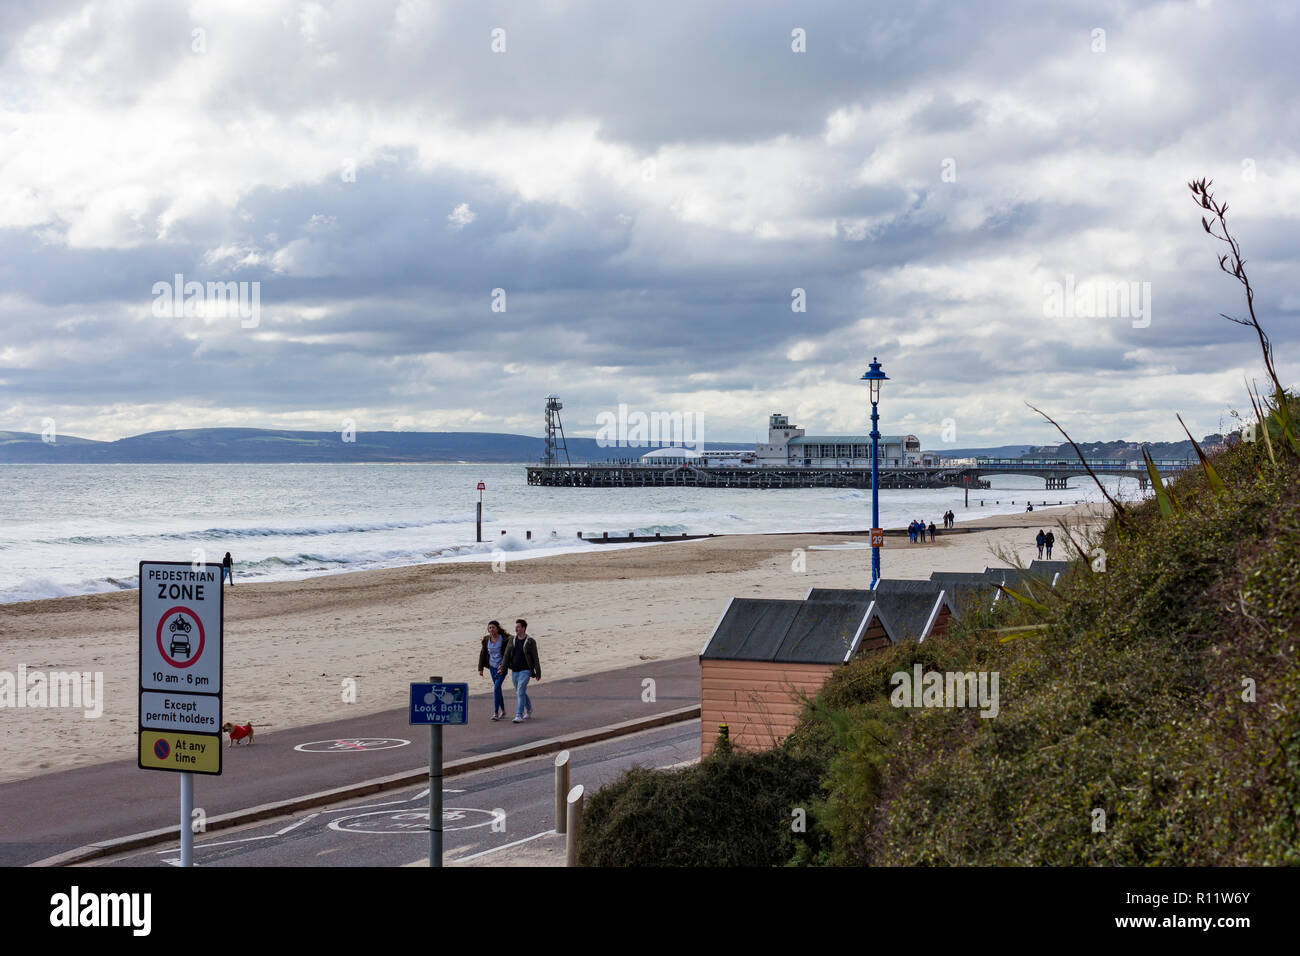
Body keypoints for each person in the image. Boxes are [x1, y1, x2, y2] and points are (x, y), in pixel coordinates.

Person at [499, 618, 541, 723]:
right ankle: (529, 708)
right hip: (515, 671)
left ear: (523, 628)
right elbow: (506, 655)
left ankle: (519, 715)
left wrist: (538, 672)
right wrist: (502, 668)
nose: (516, 628)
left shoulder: (530, 641)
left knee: (521, 690)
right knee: (519, 692)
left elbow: (535, 657)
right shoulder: (512, 640)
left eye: (518, 627)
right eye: (516, 627)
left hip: (526, 670)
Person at [477, 620, 508, 720]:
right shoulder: (486, 639)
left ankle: (495, 713)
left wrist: (503, 664)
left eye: (493, 627)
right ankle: (503, 711)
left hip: (502, 668)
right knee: (498, 689)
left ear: (497, 628)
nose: (491, 629)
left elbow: (508, 652)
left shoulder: (504, 639)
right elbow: (482, 654)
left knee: (496, 688)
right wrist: (480, 668)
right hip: (492, 667)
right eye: (489, 628)